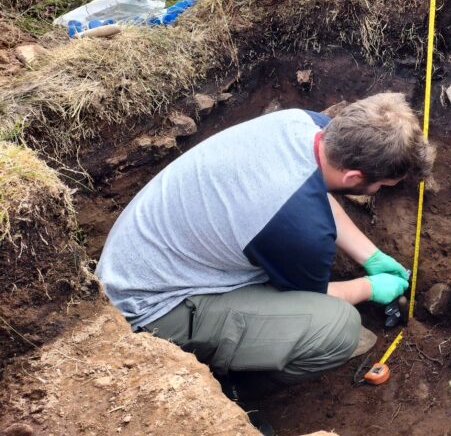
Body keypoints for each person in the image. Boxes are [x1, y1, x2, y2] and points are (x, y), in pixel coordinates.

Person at [96, 92, 432, 401]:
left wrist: (369, 255)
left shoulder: (303, 124)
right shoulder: (298, 228)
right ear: (355, 179)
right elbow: (314, 296)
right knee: (338, 328)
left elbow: (307, 190)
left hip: (141, 259)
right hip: (148, 309)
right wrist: (368, 287)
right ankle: (230, 400)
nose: (380, 191)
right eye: (381, 186)